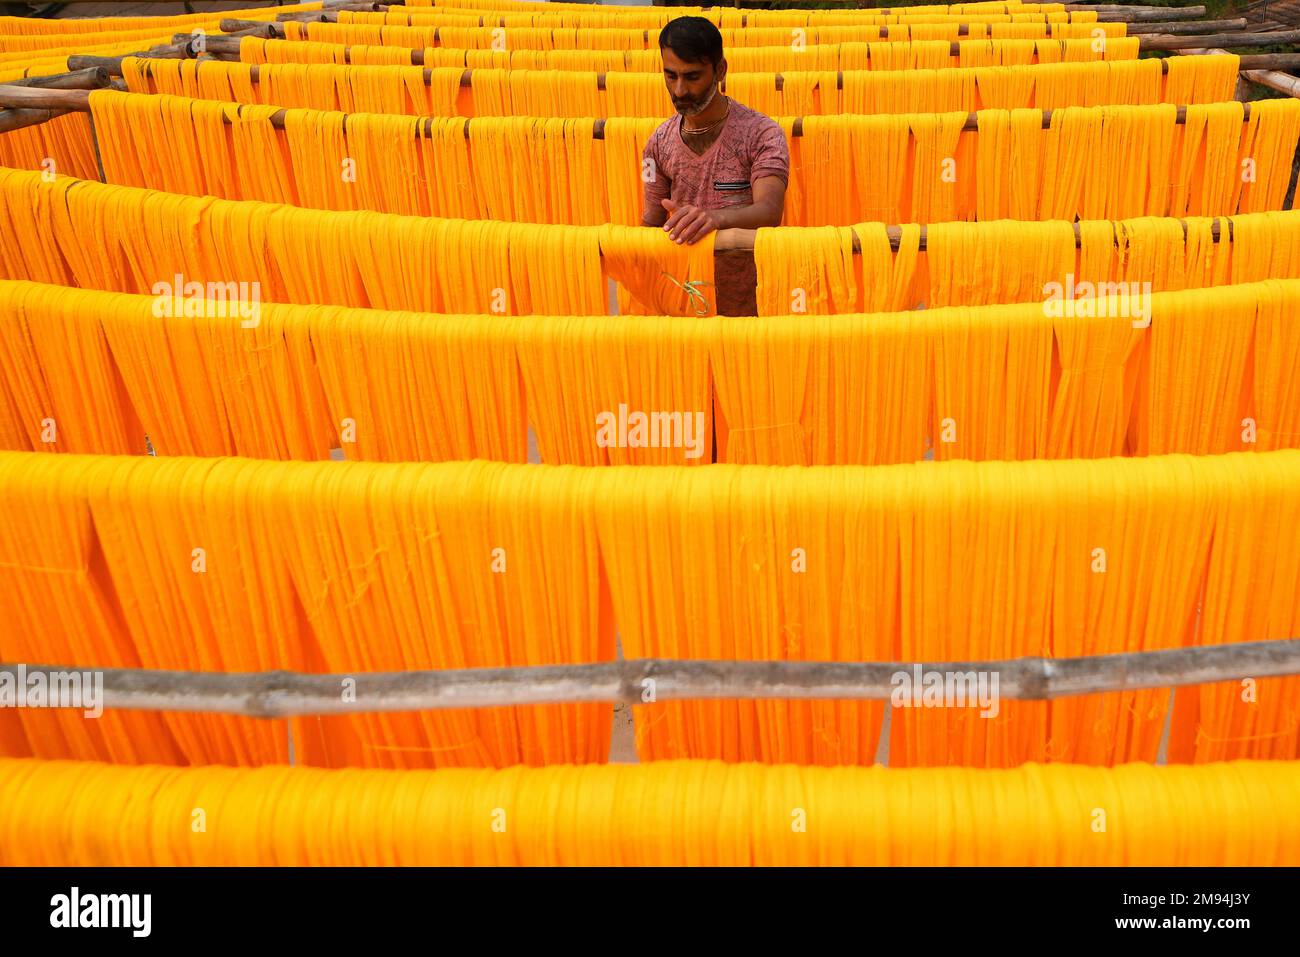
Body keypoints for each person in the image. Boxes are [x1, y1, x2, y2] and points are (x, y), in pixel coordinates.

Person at [640, 16, 789, 316]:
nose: (679, 90)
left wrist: (713, 218)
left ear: (720, 70)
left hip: (753, 303)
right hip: (683, 302)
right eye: (671, 76)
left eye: (692, 76)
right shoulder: (656, 145)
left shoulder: (762, 134)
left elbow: (770, 211)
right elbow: (649, 224)